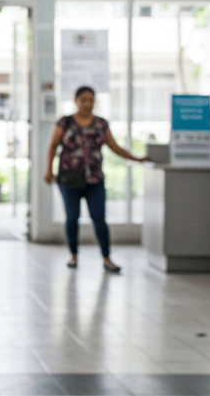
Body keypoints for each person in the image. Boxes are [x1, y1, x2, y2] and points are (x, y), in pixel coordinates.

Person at [44, 85, 149, 273]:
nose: (87, 103)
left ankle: (107, 258)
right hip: (69, 180)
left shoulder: (101, 124)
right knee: (72, 218)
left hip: (94, 180)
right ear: (76, 101)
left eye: (91, 100)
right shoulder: (65, 122)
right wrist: (48, 170)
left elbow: (114, 146)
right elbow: (52, 146)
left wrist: (136, 159)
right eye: (83, 99)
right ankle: (73, 256)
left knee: (99, 218)